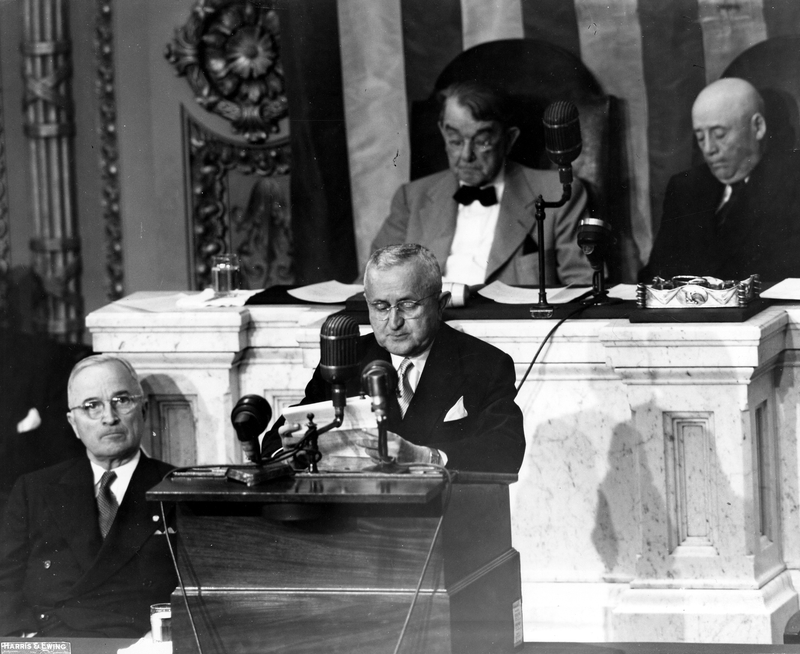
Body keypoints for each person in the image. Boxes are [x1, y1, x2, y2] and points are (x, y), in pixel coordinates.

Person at [262, 244, 526, 473]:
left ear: (441, 303)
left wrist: (426, 458)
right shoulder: (346, 358)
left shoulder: (484, 363)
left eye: (408, 305)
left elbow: (506, 451)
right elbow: (275, 442)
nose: (394, 321)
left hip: (444, 517)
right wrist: (290, 451)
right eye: (380, 307)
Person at [0, 354, 177, 638]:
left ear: (143, 409)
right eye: (92, 406)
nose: (109, 418)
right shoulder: (34, 490)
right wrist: (24, 639)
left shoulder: (178, 489)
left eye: (122, 401)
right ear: (73, 423)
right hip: (53, 642)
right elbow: (4, 582)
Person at [372, 81, 594, 287]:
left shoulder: (557, 194)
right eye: (455, 141)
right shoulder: (410, 198)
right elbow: (374, 284)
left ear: (509, 139)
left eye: (482, 142)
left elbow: (582, 287)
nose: (466, 155)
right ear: (442, 132)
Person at [640, 77, 800, 282]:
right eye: (700, 137)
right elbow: (656, 275)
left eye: (719, 134)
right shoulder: (685, 188)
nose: (708, 149)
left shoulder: (793, 181)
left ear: (758, 127)